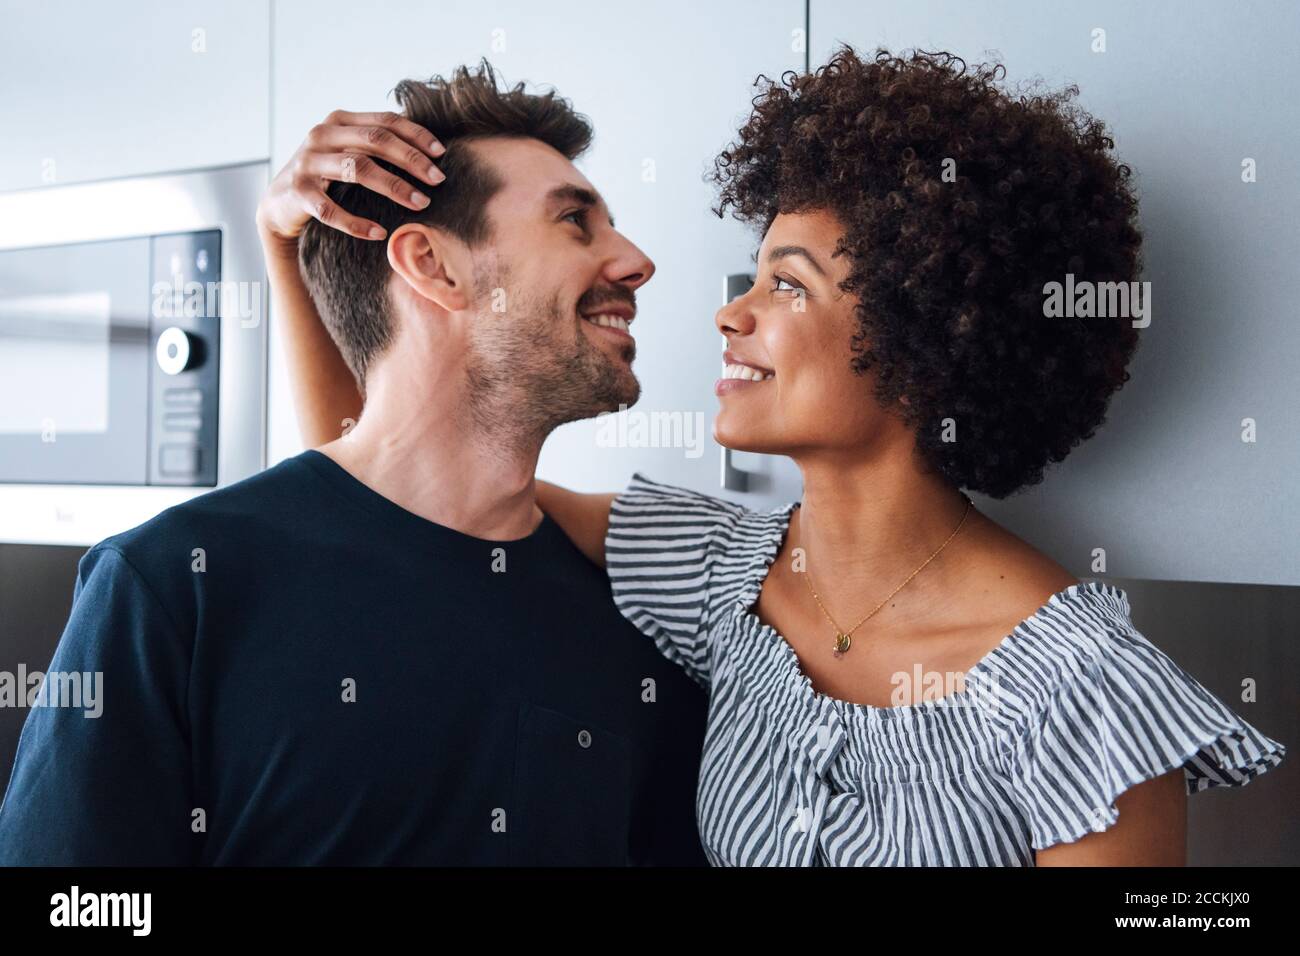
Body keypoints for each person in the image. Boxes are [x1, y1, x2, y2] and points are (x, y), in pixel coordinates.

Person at [285, 47, 1287, 866]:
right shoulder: (714, 573)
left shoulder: (1084, 692)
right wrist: (288, 245)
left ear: (923, 335)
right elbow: (390, 479)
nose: (730, 312)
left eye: (786, 285)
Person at [0, 61, 708, 866]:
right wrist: (279, 242)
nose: (636, 260)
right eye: (576, 222)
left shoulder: (644, 611)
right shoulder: (172, 585)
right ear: (434, 266)